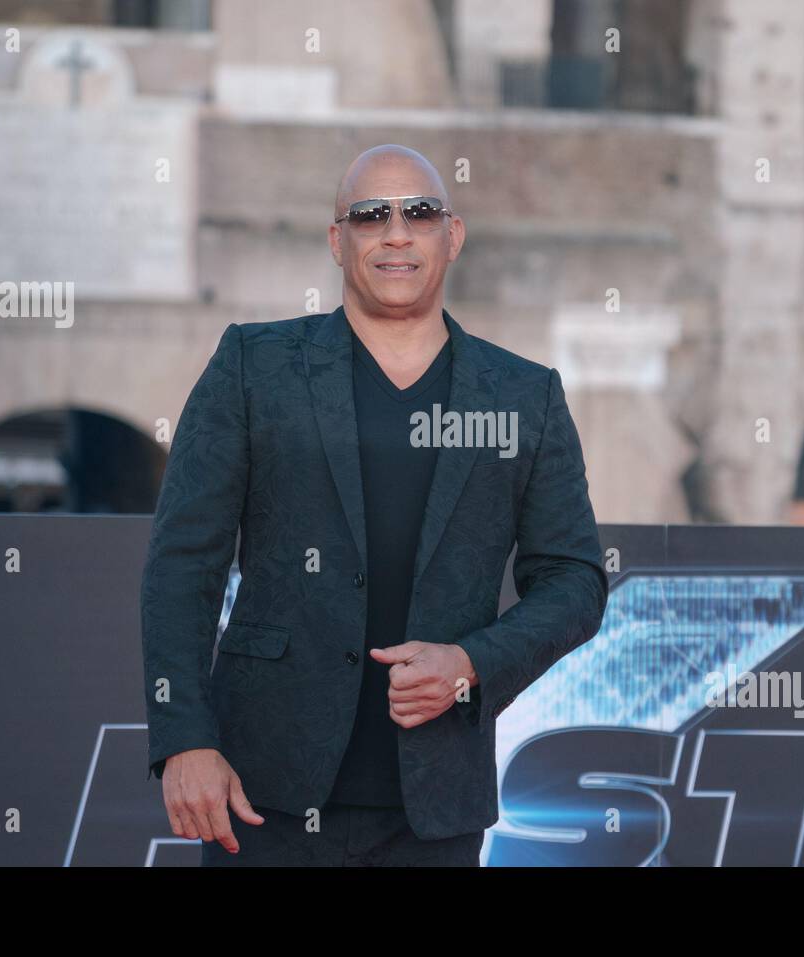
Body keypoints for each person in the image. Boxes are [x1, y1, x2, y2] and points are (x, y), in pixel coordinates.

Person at [140, 144, 607, 866]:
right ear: (337, 240)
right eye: (370, 215)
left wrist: (469, 662)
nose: (396, 233)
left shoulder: (523, 396)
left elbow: (576, 582)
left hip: (434, 807)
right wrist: (185, 739)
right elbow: (182, 563)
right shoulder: (253, 366)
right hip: (262, 793)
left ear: (451, 235)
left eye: (418, 213)